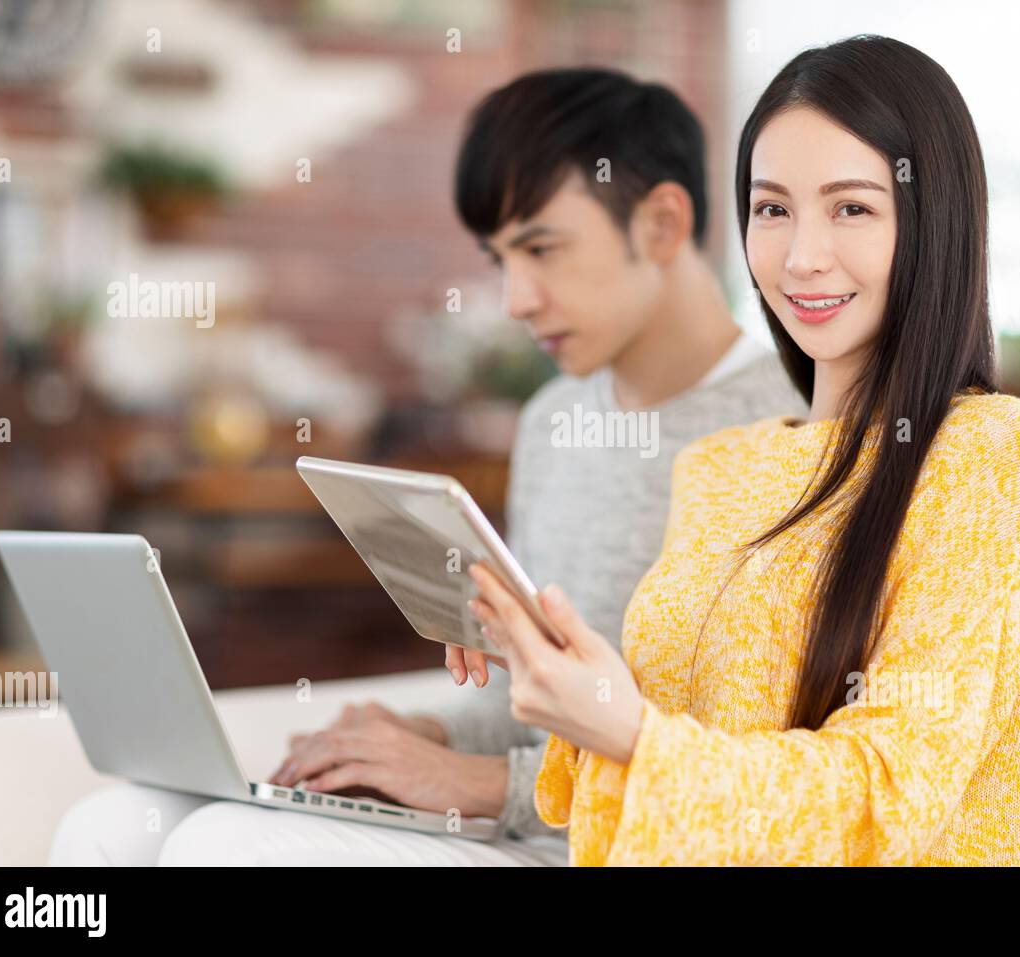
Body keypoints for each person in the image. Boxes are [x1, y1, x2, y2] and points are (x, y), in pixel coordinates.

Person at [47, 67, 804, 866]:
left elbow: (745, 759)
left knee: (222, 847)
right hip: (526, 813)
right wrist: (420, 736)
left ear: (661, 222)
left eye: (542, 247)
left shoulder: (791, 421)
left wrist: (470, 780)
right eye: (499, 257)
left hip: (623, 842)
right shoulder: (554, 423)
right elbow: (539, 702)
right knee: (108, 826)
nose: (515, 299)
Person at [464, 35, 1020, 866]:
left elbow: (894, 791)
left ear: (934, 222)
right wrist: (543, 658)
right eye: (772, 208)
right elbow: (679, 756)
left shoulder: (988, 450)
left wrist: (627, 730)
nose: (800, 256)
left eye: (851, 207)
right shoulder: (718, 466)